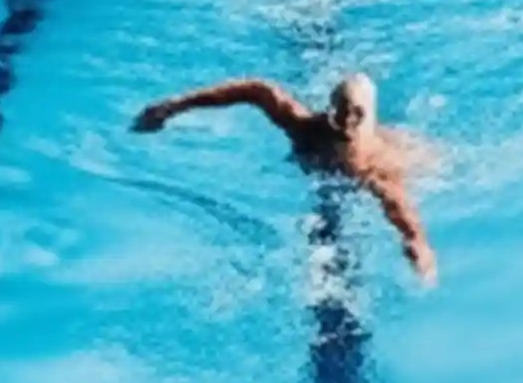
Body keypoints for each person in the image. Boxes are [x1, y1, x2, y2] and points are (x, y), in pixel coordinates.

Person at [132, 73, 438, 285]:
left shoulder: (376, 168)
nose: (342, 141)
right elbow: (256, 90)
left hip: (403, 153)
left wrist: (419, 247)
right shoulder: (305, 127)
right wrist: (173, 106)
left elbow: (403, 213)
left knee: (429, 160)